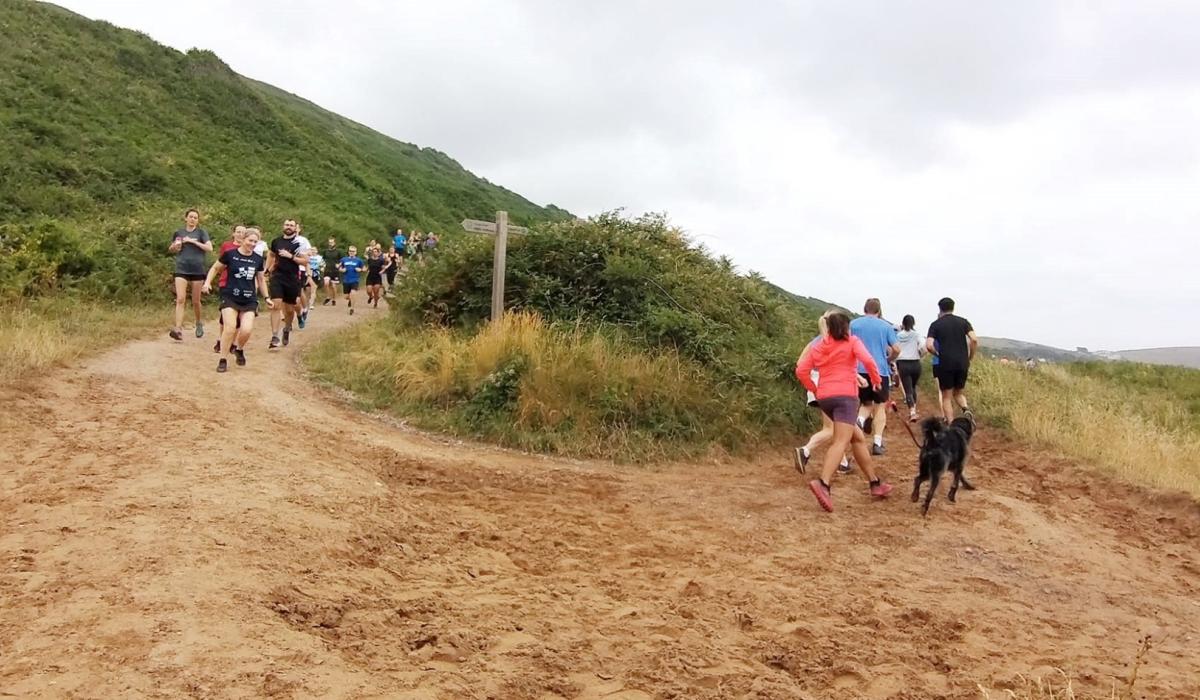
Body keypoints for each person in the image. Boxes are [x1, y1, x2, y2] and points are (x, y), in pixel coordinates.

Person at [796, 312, 894, 512]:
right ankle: (823, 483)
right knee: (840, 441)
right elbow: (868, 360)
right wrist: (876, 381)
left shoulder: (820, 346)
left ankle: (875, 483)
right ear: (847, 328)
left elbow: (801, 370)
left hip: (825, 398)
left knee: (856, 438)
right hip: (846, 398)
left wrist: (814, 389)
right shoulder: (852, 342)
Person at [202, 227, 273, 372]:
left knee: (246, 330)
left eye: (255, 241)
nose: (252, 244)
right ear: (243, 240)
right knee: (230, 327)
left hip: (249, 298)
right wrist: (207, 282)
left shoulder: (258, 259)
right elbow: (215, 268)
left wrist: (266, 297)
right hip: (230, 296)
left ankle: (239, 349)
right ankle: (223, 359)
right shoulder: (230, 254)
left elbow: (260, 279)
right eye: (250, 240)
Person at [793, 311, 851, 475]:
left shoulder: (815, 342)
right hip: (830, 385)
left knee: (833, 426)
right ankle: (805, 450)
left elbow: (800, 363)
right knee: (832, 428)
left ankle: (843, 462)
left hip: (815, 382)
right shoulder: (839, 343)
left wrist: (812, 385)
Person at [850, 298, 900, 455]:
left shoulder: (853, 324)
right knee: (880, 406)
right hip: (879, 370)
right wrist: (889, 359)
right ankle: (877, 443)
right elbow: (897, 349)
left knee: (865, 403)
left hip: (858, 370)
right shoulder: (885, 326)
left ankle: (860, 420)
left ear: (864, 309)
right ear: (878, 311)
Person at [926, 297, 979, 421]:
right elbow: (974, 339)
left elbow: (929, 345)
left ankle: (951, 424)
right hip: (962, 362)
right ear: (953, 307)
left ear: (940, 308)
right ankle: (966, 409)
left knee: (946, 397)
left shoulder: (936, 324)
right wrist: (970, 356)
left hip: (945, 363)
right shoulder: (963, 322)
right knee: (959, 393)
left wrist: (937, 354)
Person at [168, 208, 213, 341]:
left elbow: (209, 248)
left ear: (198, 220)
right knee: (181, 299)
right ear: (185, 218)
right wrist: (174, 247)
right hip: (181, 268)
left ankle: (198, 322)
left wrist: (192, 241)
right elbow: (172, 248)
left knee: (195, 301)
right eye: (191, 217)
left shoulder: (201, 232)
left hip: (197, 269)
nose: (193, 219)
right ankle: (178, 329)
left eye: (195, 217)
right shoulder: (179, 232)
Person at [266, 218, 308, 349]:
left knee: (289, 310)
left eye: (291, 225)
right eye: (286, 224)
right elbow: (272, 255)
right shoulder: (276, 241)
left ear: (296, 228)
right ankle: (274, 336)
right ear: (283, 226)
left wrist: (290, 257)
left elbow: (305, 261)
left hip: (292, 278)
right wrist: (267, 268)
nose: (288, 227)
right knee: (276, 305)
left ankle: (286, 328)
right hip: (277, 276)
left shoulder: (299, 243)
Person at [213, 225, 246, 353]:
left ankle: (232, 342)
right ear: (233, 234)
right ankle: (221, 339)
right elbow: (220, 264)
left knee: (237, 315)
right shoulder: (226, 246)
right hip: (225, 282)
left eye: (243, 233)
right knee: (225, 314)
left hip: (242, 285)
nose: (240, 235)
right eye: (238, 232)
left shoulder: (248, 248)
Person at [895, 314, 926, 422]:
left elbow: (895, 348)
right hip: (916, 363)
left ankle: (912, 411)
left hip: (903, 363)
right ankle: (914, 409)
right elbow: (923, 346)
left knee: (907, 388)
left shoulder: (899, 335)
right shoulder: (917, 334)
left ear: (903, 323)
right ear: (913, 323)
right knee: (913, 387)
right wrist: (920, 354)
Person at [338, 246, 365, 315]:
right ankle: (350, 300)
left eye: (353, 251)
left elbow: (364, 268)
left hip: (355, 280)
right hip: (346, 280)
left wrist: (360, 270)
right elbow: (339, 266)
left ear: (355, 252)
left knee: (353, 293)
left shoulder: (359, 260)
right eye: (350, 251)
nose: (351, 252)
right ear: (348, 252)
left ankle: (352, 308)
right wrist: (341, 270)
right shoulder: (344, 259)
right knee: (346, 296)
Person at [322, 237, 342, 306]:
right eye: (329, 242)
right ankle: (328, 297)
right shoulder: (325, 251)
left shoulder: (338, 251)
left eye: (332, 242)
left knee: (333, 286)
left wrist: (339, 265)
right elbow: (323, 260)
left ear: (334, 243)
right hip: (327, 269)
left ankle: (334, 299)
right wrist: (323, 266)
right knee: (326, 283)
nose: (331, 244)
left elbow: (342, 260)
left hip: (335, 270)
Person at [306, 247, 324, 314]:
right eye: (311, 250)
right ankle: (307, 303)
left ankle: (311, 304)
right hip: (307, 274)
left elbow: (323, 265)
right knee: (307, 290)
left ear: (317, 251)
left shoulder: (319, 258)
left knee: (313, 289)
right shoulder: (307, 257)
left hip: (316, 275)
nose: (313, 251)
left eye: (314, 250)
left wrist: (321, 269)